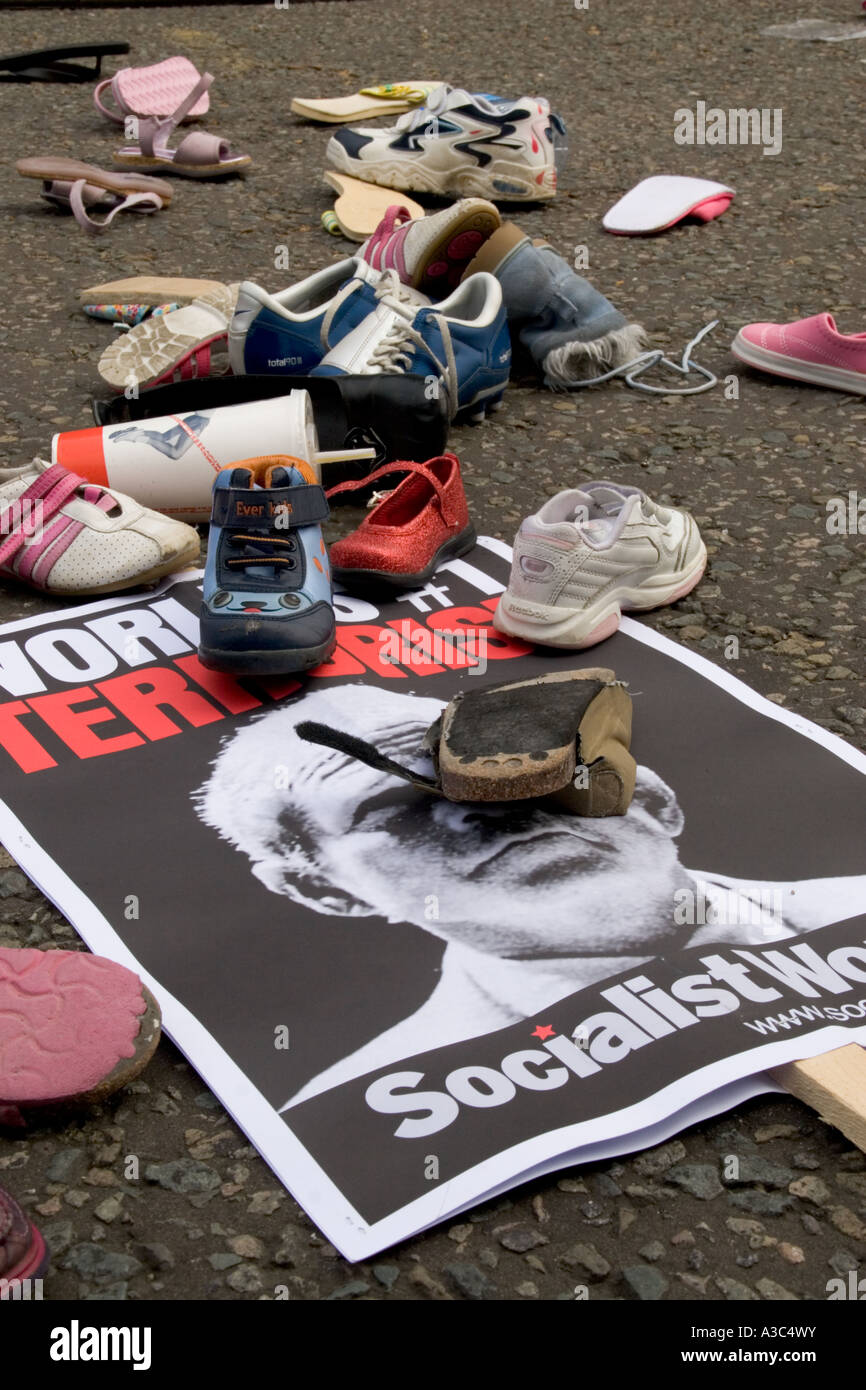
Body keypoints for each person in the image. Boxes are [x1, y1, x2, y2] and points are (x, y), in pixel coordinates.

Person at [194, 684, 866, 1109]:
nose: (488, 805)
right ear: (323, 889)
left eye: (490, 764)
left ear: (650, 797)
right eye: (399, 808)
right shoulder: (383, 1097)